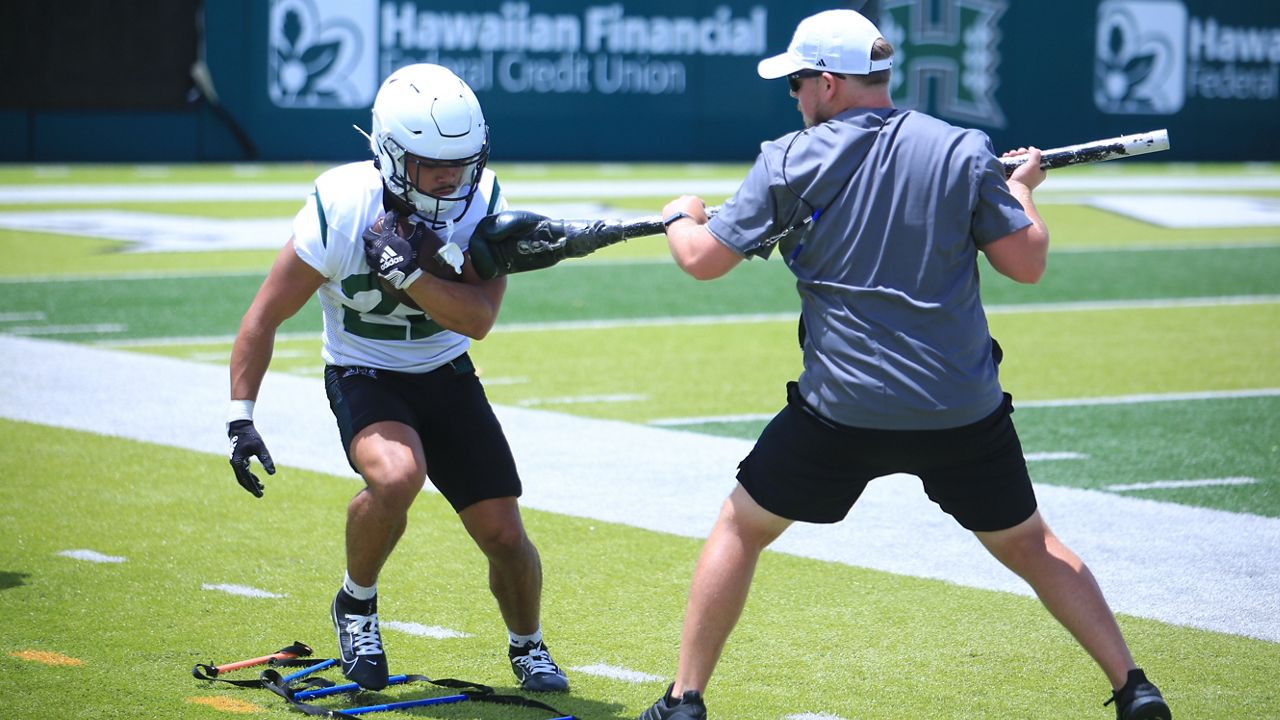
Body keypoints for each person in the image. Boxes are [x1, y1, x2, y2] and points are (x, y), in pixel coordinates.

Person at [641, 10, 1170, 720]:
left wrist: (681, 216)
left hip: (841, 409)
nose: (795, 96)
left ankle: (685, 699)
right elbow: (1028, 262)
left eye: (797, 82)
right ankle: (1133, 686)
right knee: (1029, 543)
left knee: (741, 528)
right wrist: (1020, 189)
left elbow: (703, 263)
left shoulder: (787, 157)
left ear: (827, 84)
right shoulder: (962, 149)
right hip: (961, 408)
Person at [225, 63, 569, 694]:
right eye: (431, 163)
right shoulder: (341, 207)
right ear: (386, 154)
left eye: (462, 162)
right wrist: (241, 416)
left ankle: (528, 643)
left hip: (446, 369)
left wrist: (410, 277)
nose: (449, 177)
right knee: (396, 475)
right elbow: (263, 316)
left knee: (503, 533)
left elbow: (478, 319)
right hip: (364, 371)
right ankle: (356, 605)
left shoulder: (484, 201)